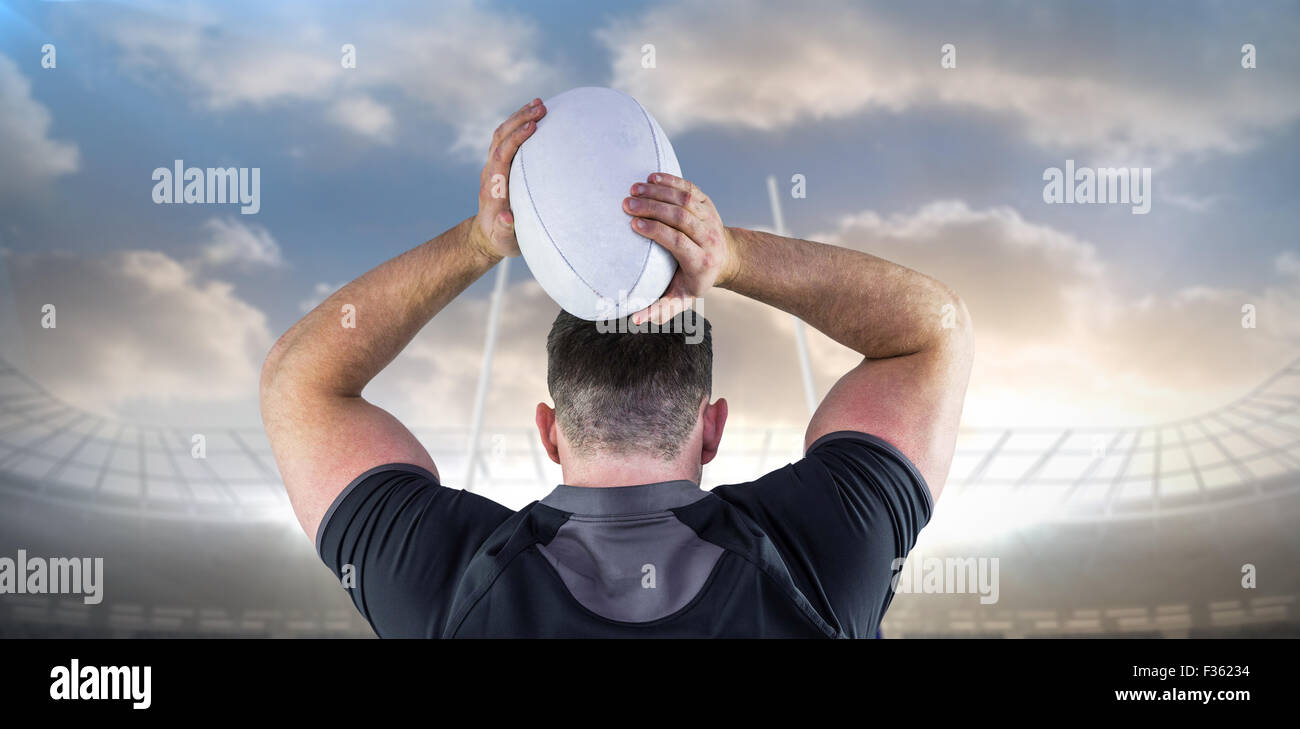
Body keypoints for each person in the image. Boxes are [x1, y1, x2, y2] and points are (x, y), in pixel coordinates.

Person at [260, 98, 973, 637]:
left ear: (549, 430)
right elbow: (933, 331)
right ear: (713, 426)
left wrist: (477, 242)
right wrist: (731, 256)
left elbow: (299, 380)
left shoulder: (446, 584)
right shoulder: (822, 553)